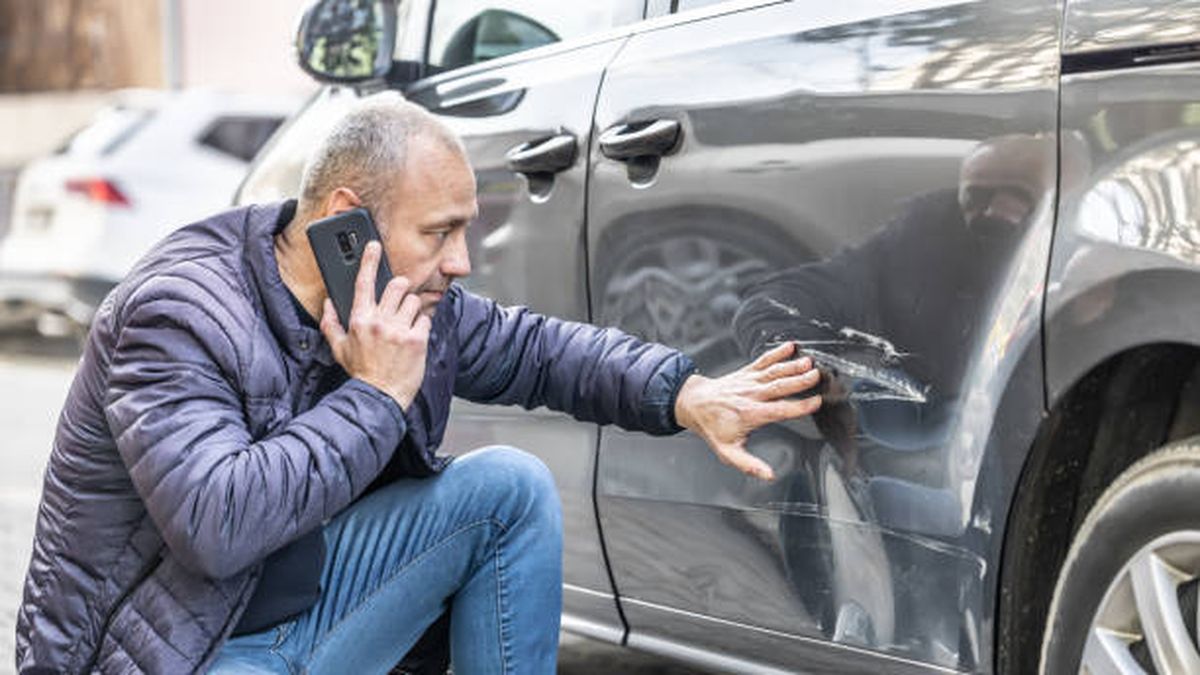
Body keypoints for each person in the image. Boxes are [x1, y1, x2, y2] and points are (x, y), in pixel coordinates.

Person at [15, 92, 823, 674]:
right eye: (439, 232)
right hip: (184, 654)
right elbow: (217, 525)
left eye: (464, 228)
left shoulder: (402, 303)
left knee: (508, 486)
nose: (461, 260)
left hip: (302, 621)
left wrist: (683, 394)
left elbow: (538, 351)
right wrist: (374, 396)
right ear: (346, 217)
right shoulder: (179, 313)